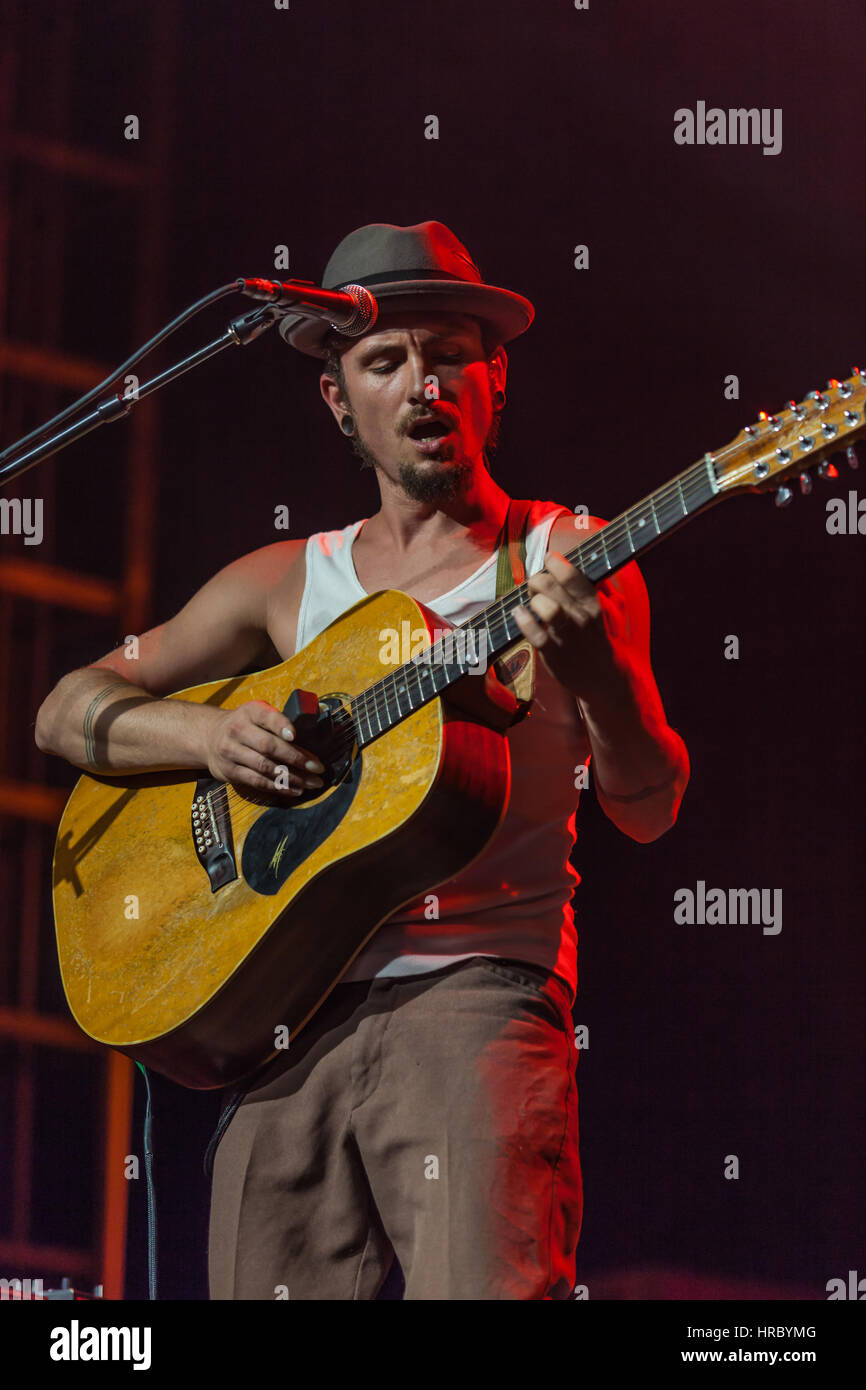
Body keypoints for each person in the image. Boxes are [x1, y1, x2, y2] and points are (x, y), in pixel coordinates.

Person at [34, 221, 689, 1300]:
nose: (421, 382)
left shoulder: (564, 554)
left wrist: (605, 678)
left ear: (494, 379)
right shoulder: (288, 579)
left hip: (477, 1005)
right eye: (384, 360)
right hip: (283, 1016)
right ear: (338, 401)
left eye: (448, 354)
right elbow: (68, 709)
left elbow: (649, 805)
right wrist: (210, 737)